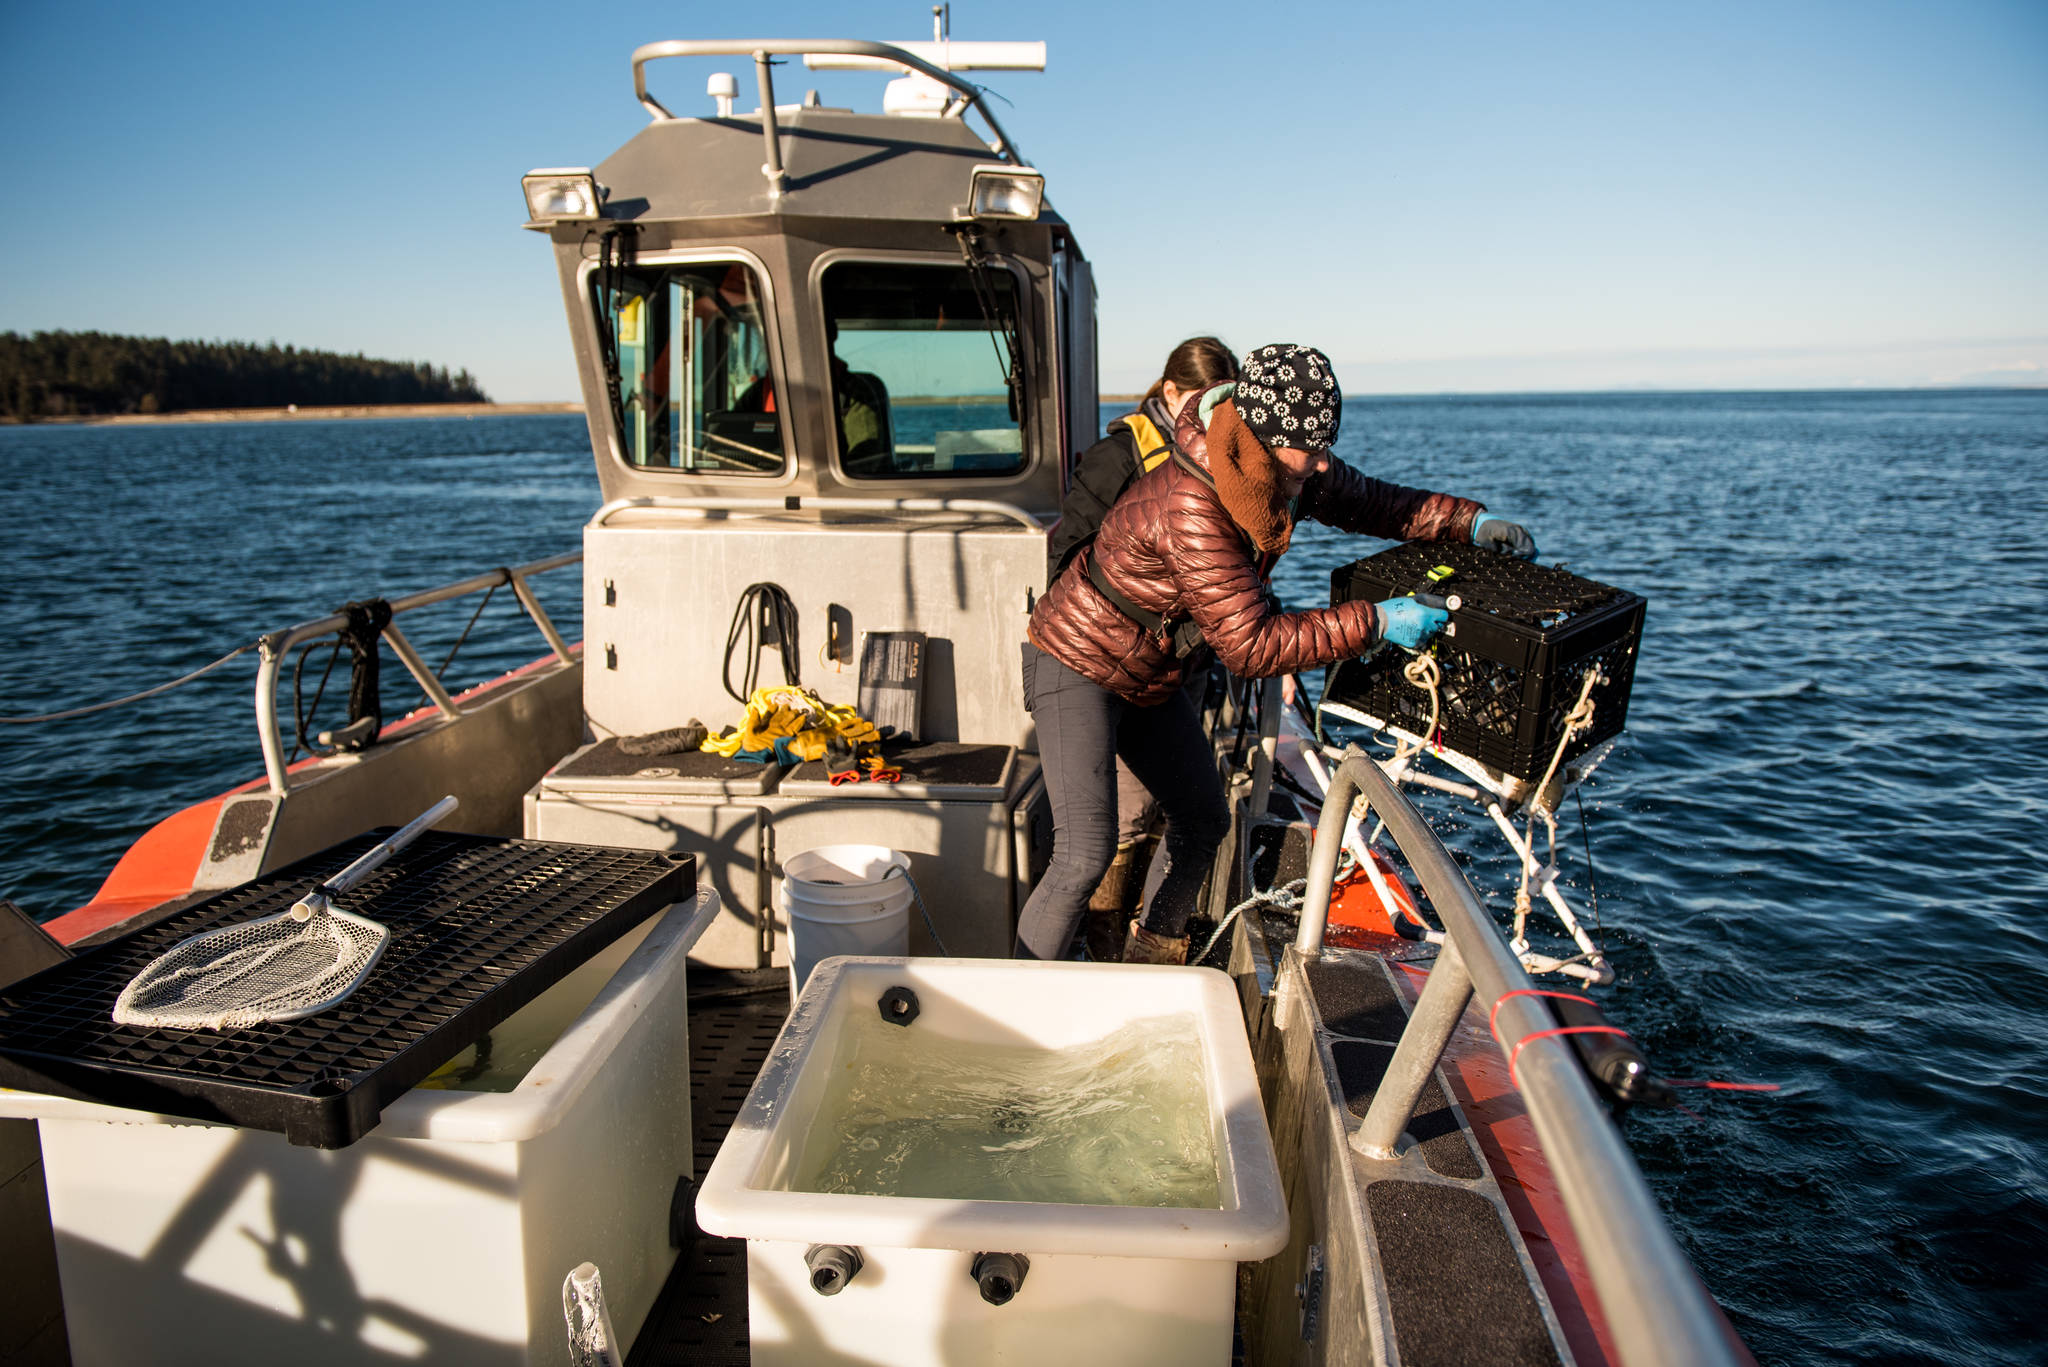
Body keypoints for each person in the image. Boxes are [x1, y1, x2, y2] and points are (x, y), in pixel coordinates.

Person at [1017, 343, 1538, 964]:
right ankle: (1012, 1000)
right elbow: (1250, 644)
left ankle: (1151, 959)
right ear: (1263, 436)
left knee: (1203, 821)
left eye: (1325, 446)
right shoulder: (1195, 503)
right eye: (1309, 448)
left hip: (1149, 670)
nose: (1321, 464)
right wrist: (1377, 620)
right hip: (1075, 661)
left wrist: (1469, 523)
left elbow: (1375, 502)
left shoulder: (1281, 469)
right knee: (1084, 853)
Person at [1045, 337, 1242, 960]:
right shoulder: (1118, 458)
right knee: (1116, 824)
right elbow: (1067, 554)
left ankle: (1150, 949)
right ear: (1170, 391)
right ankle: (1103, 948)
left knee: (1187, 810)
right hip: (1113, 656)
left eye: (1226, 403)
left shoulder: (1222, 460)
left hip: (1182, 661)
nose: (1211, 416)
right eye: (1201, 401)